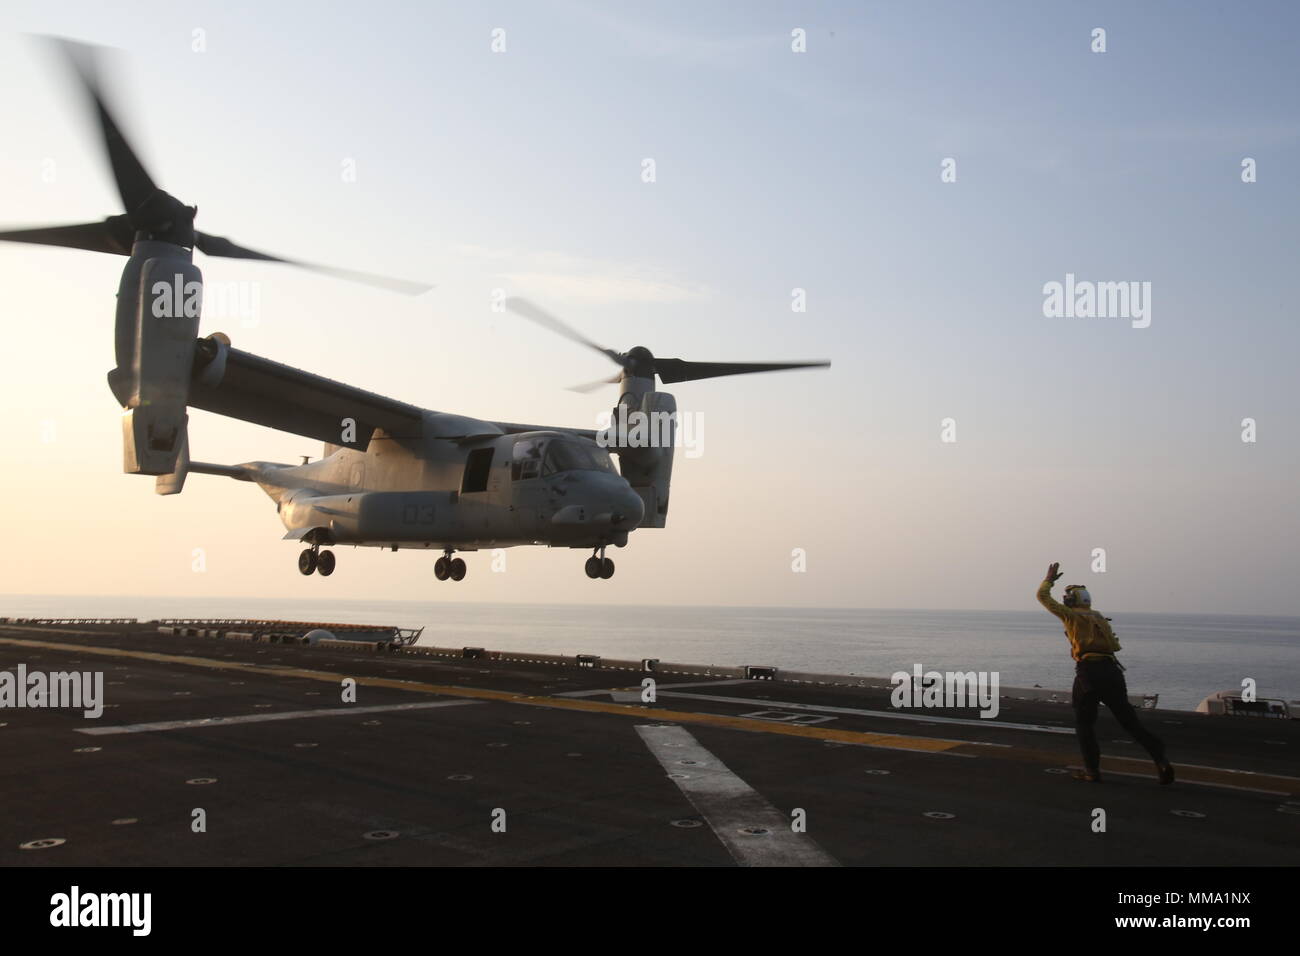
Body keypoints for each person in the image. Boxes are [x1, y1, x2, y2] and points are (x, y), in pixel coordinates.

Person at [1037, 562, 1174, 785]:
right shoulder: (1100, 617)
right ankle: (1159, 757)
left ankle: (1092, 771)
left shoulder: (1071, 616)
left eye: (1067, 598)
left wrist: (1049, 580)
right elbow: (1114, 645)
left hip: (1088, 672)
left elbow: (1042, 596)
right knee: (1129, 722)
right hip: (1112, 671)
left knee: (1084, 724)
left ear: (1072, 601)